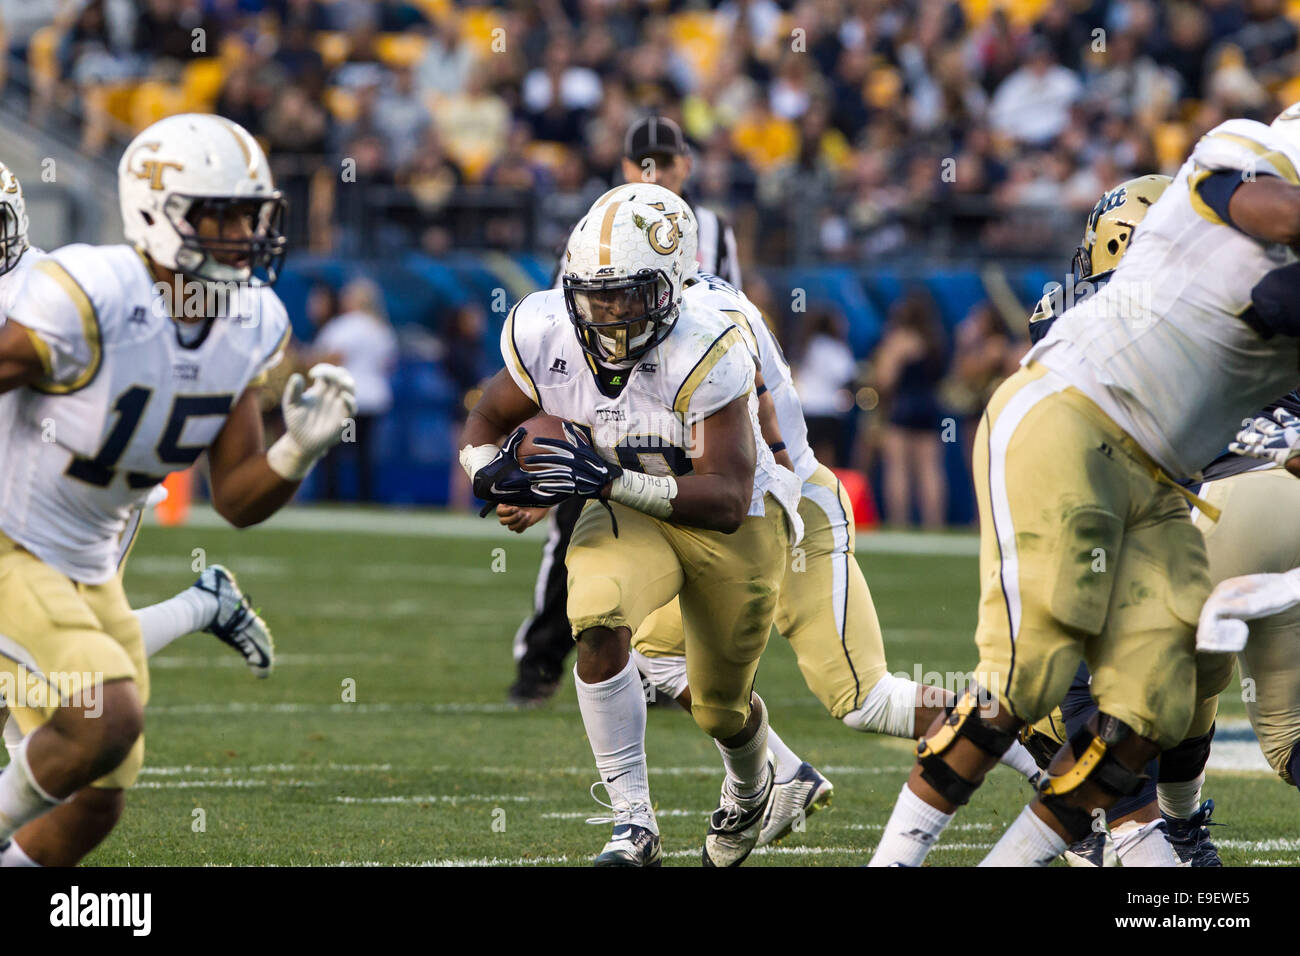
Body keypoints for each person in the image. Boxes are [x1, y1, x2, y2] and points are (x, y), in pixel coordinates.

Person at [870, 103, 1300, 867]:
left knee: (1150, 703)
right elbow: (1260, 248)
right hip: (1069, 419)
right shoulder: (1231, 167)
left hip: (1165, 481)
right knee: (1023, 680)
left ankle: (1072, 850)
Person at [0, 114, 355, 866]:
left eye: (248, 215)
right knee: (104, 716)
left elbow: (237, 497)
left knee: (97, 798)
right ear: (157, 217)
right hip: (10, 542)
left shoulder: (250, 321)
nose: (239, 235)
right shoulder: (89, 292)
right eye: (217, 215)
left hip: (89, 566)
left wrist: (298, 448)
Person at [462, 199, 802, 866]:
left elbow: (727, 497)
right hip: (633, 512)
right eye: (596, 296)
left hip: (731, 525)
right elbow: (484, 421)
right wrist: (490, 475)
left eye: (628, 295)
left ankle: (750, 784)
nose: (609, 313)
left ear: (674, 285)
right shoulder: (547, 330)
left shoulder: (706, 343)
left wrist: (604, 480)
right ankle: (632, 823)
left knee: (720, 708)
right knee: (593, 614)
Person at [511, 115, 739, 706]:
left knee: (683, 530)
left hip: (680, 394)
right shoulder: (600, 228)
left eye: (666, 161)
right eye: (645, 163)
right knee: (576, 540)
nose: (656, 172)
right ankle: (539, 662)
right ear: (623, 169)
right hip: (609, 392)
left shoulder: (713, 229)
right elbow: (574, 322)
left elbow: (732, 315)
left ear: (687, 164)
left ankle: (667, 670)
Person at [311, 278, 398, 502]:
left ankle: (330, 496)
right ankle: (365, 497)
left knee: (332, 452)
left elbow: (332, 359)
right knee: (364, 453)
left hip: (345, 397)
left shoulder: (342, 326)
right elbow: (388, 364)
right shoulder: (381, 328)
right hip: (373, 398)